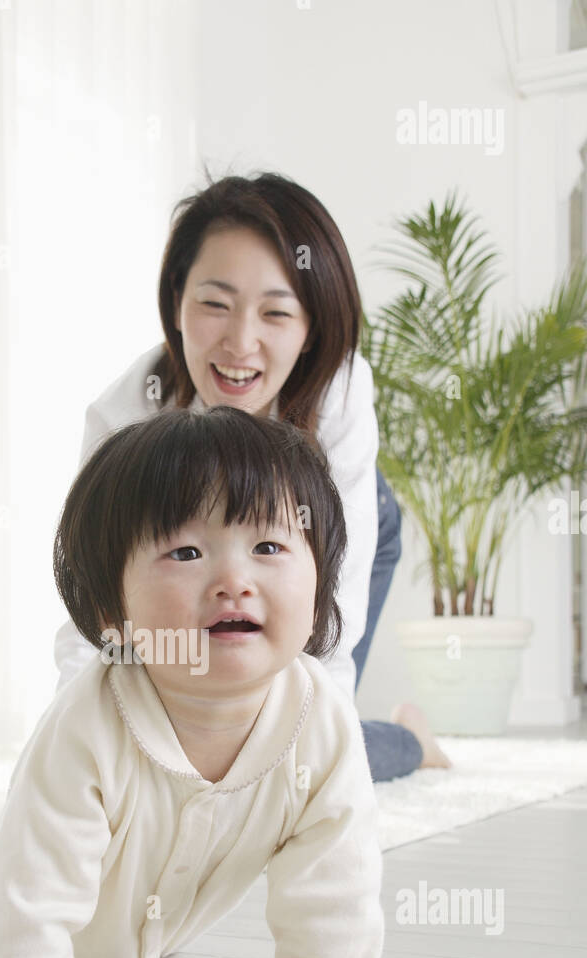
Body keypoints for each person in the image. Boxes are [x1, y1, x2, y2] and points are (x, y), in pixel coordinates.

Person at [0, 407, 399, 958]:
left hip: (150, 941)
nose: (234, 581)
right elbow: (29, 891)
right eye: (185, 552)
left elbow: (337, 872)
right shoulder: (90, 724)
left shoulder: (321, 716)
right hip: (26, 944)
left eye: (270, 548)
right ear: (110, 610)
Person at [54, 171, 451, 781]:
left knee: (299, 744)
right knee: (197, 739)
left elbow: (330, 630)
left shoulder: (338, 396)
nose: (241, 343)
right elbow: (94, 600)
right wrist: (69, 745)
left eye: (276, 313)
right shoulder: (128, 417)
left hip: (335, 543)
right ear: (176, 304)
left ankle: (408, 742)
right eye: (214, 304)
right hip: (216, 566)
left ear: (312, 326)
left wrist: (325, 759)